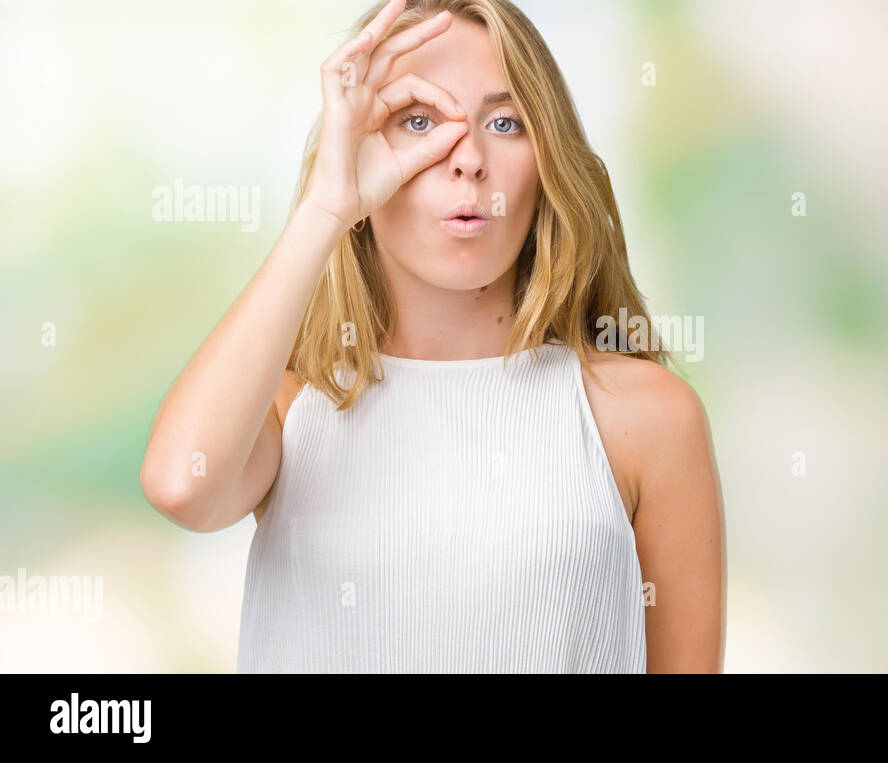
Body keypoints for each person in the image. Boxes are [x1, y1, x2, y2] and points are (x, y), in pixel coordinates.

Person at [139, 0, 725, 673]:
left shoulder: (646, 418)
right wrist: (326, 208)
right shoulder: (289, 408)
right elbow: (180, 485)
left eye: (505, 123)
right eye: (418, 121)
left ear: (545, 160)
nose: (468, 159)